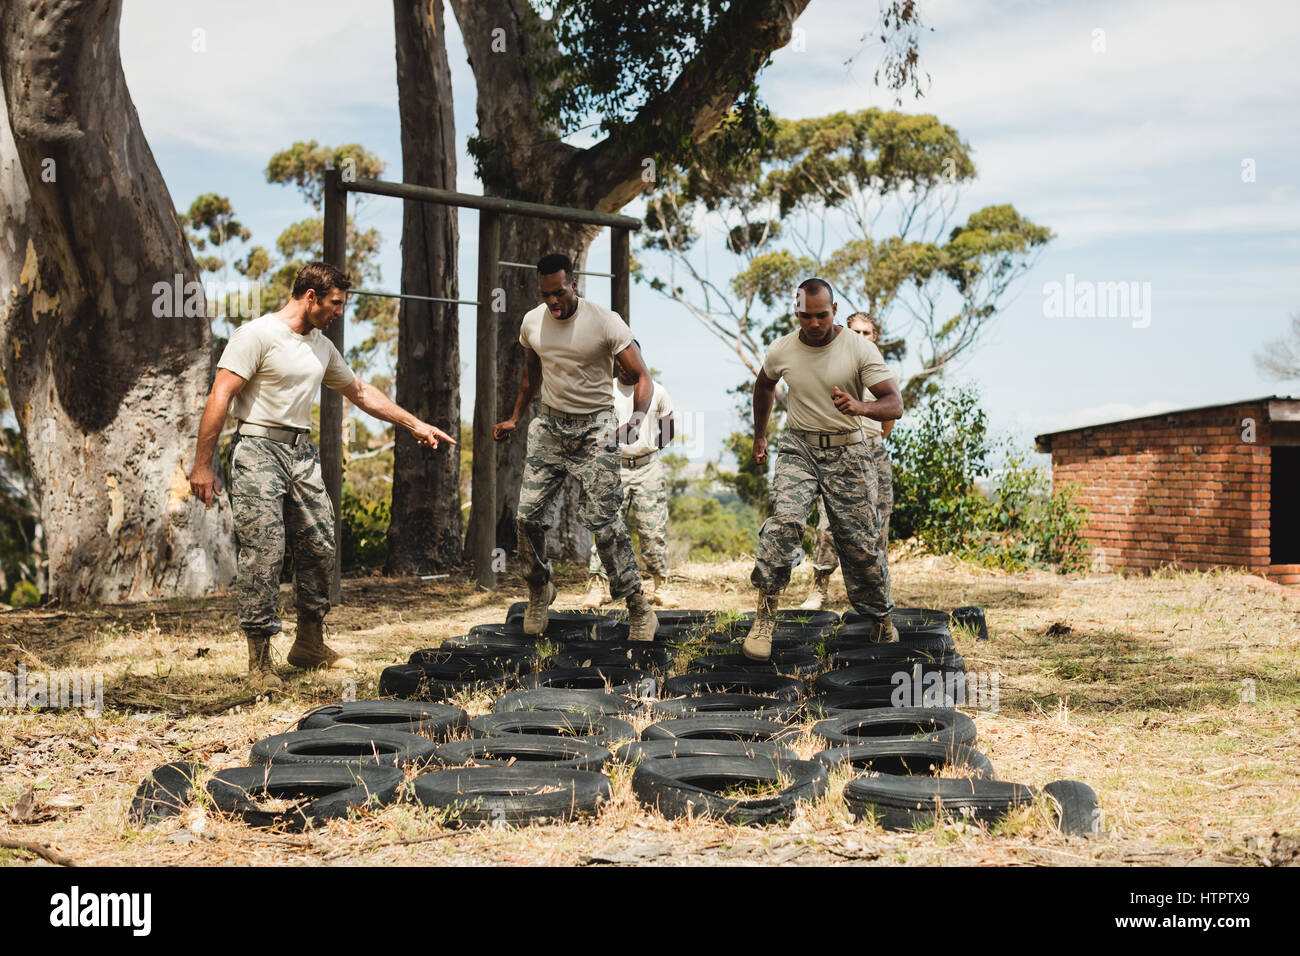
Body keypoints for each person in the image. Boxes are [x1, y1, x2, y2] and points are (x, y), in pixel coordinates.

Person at [188, 261, 456, 687]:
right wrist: (202, 463)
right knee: (265, 552)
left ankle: (309, 643)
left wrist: (415, 425)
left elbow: (362, 392)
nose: (339, 312)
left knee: (320, 545)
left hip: (300, 453)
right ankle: (260, 661)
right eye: (334, 303)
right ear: (310, 296)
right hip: (258, 449)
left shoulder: (321, 347)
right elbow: (221, 393)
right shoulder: (256, 335)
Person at [494, 253, 659, 641]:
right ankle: (539, 588)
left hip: (596, 428)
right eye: (545, 294)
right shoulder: (532, 322)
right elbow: (531, 373)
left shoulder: (605, 321)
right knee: (527, 519)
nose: (553, 301)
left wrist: (635, 420)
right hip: (549, 425)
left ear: (574, 284)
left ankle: (639, 608)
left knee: (604, 522)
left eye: (559, 292)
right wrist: (516, 417)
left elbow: (641, 376)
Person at [744, 279, 903, 661]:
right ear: (796, 312)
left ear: (834, 310)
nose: (814, 323)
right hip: (799, 447)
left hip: (848, 450)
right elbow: (764, 385)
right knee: (784, 522)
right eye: (805, 316)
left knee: (860, 543)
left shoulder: (858, 347)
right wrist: (760, 435)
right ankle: (765, 617)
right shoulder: (782, 348)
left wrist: (860, 408)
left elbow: (894, 403)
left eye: (822, 315)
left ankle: (880, 616)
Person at [799, 311, 897, 610]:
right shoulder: (836, 366)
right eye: (855, 331)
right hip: (841, 450)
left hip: (874, 449)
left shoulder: (882, 371)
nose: (860, 337)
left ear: (874, 336)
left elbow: (890, 415)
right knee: (829, 524)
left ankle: (878, 594)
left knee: (878, 523)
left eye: (866, 333)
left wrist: (874, 439)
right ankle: (819, 589)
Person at [580, 340, 679, 610]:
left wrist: (650, 447)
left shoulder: (657, 391)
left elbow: (669, 429)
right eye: (619, 360)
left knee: (653, 530)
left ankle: (661, 586)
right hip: (615, 468)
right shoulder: (605, 392)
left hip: (648, 469)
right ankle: (598, 587)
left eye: (629, 359)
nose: (624, 365)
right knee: (605, 529)